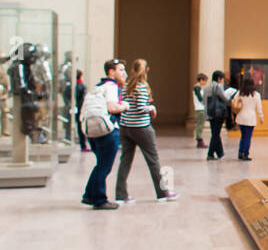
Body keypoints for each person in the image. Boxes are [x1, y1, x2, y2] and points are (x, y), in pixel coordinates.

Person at [114, 58, 178, 203]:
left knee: (125, 161)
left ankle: (120, 194)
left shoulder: (125, 86)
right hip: (141, 128)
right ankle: (162, 193)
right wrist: (152, 108)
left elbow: (125, 105)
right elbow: (142, 107)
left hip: (126, 127)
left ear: (132, 70)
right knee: (153, 160)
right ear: (147, 70)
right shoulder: (141, 86)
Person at [80, 59, 127, 210]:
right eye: (120, 70)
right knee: (104, 167)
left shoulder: (97, 86)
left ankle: (89, 195)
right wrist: (124, 106)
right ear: (111, 72)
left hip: (93, 131)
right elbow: (112, 107)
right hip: (108, 130)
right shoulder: (112, 87)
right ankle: (100, 199)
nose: (123, 73)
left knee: (100, 165)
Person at [235, 75, 264, 161]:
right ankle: (245, 154)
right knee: (248, 137)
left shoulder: (240, 93)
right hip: (250, 117)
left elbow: (234, 101)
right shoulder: (256, 95)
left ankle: (240, 152)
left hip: (241, 117)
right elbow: (259, 108)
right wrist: (261, 117)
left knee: (243, 136)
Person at [203, 69, 229, 160]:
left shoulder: (207, 87)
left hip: (210, 112)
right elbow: (225, 98)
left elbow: (204, 100)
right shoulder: (218, 87)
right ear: (219, 78)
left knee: (215, 132)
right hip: (218, 113)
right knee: (216, 133)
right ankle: (210, 153)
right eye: (221, 79)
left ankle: (220, 152)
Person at [192, 72, 207, 149]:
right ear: (201, 80)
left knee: (200, 124)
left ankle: (199, 139)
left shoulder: (199, 88)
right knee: (200, 125)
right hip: (200, 108)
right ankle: (199, 139)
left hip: (201, 108)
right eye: (204, 81)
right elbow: (200, 98)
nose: (205, 83)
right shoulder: (197, 88)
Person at [74, 69, 88, 152]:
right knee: (80, 126)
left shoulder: (80, 85)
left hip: (79, 108)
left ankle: (83, 144)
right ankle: (83, 144)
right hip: (79, 108)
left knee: (80, 126)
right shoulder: (80, 85)